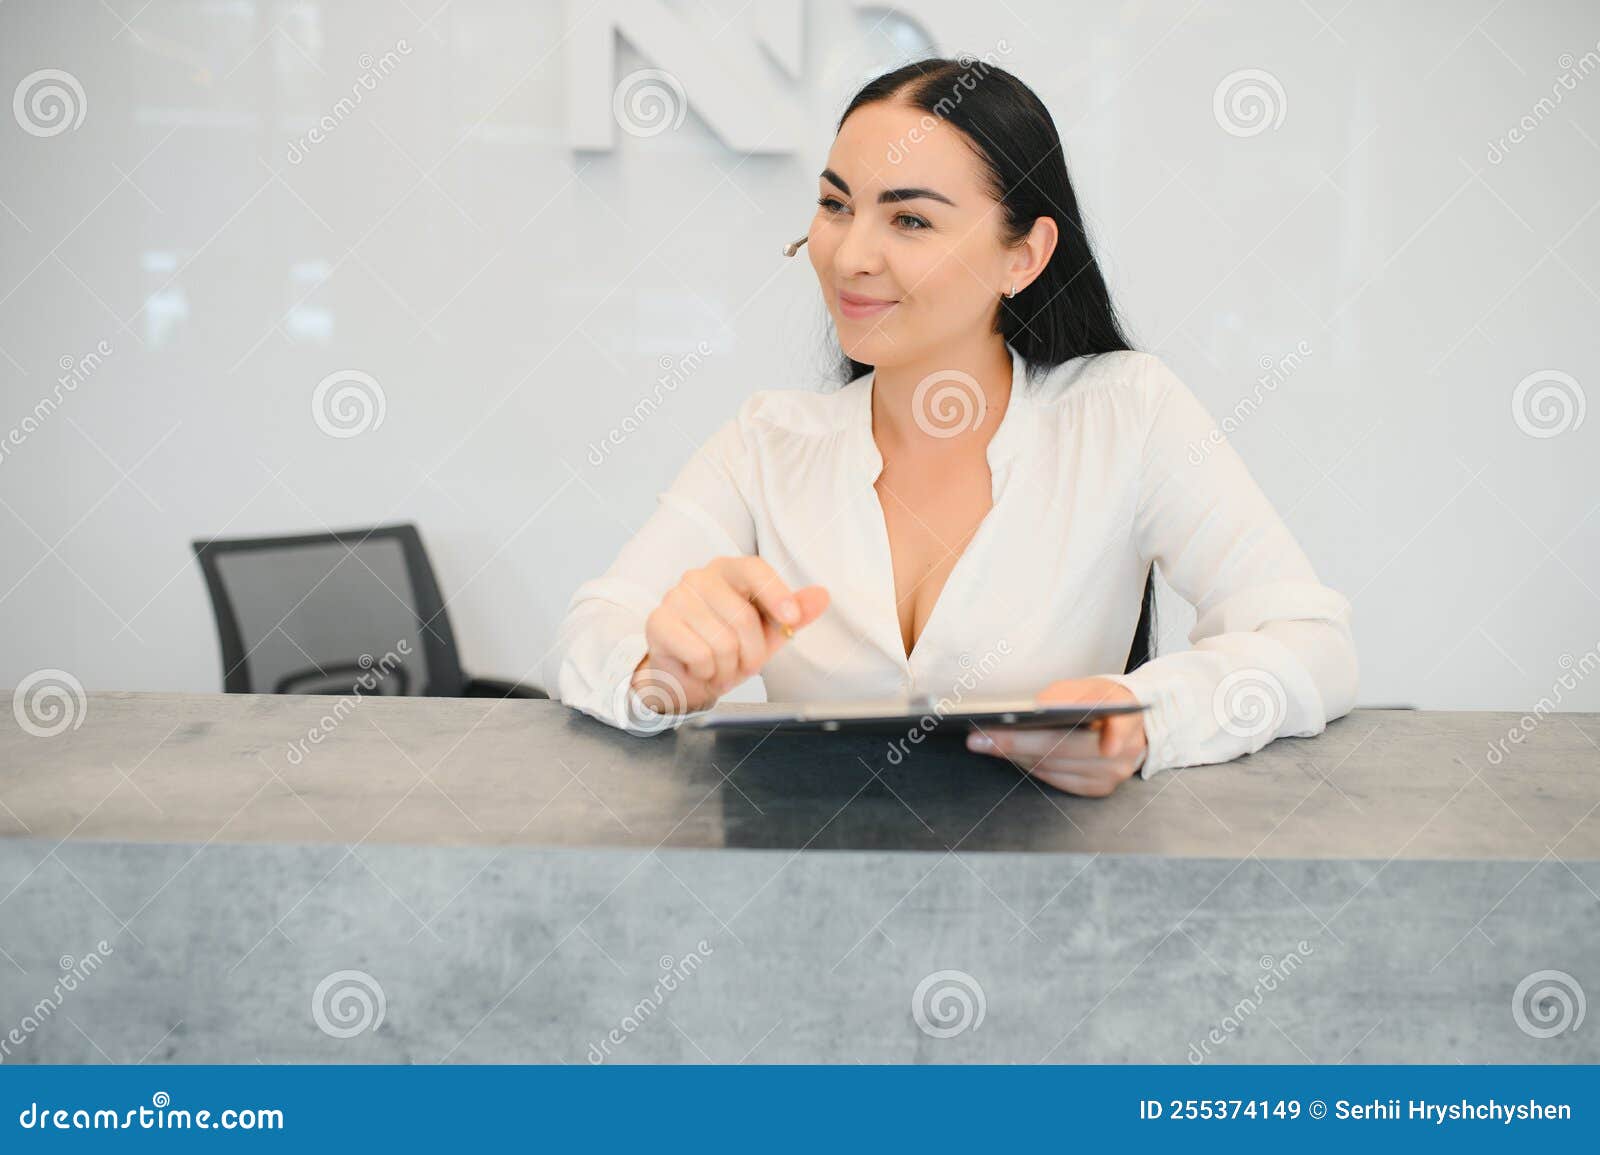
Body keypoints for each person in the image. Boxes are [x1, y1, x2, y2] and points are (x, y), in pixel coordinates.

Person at [544, 57, 1357, 797]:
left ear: (1025, 256)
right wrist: (663, 671)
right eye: (835, 205)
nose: (850, 255)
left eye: (910, 220)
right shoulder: (768, 442)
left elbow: (1312, 642)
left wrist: (1146, 719)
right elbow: (590, 633)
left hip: (1058, 904)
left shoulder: (1124, 412)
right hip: (805, 895)